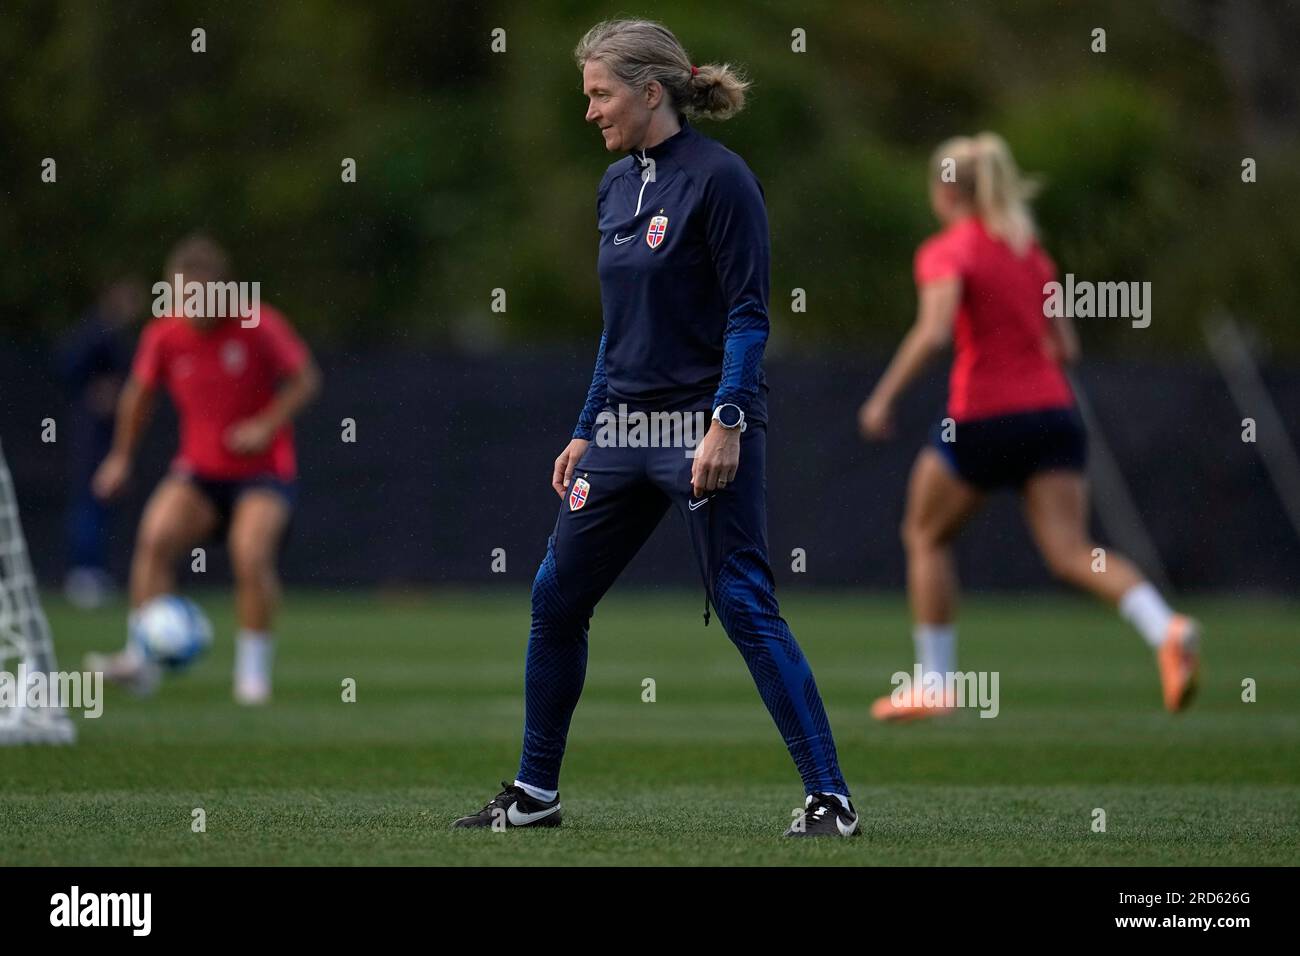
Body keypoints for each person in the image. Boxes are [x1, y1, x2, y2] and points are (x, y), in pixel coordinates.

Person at [453, 19, 857, 837]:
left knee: (743, 602)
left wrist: (728, 421)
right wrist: (584, 425)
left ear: (649, 91)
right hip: (621, 429)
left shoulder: (723, 179)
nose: (591, 112)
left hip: (701, 425)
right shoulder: (613, 187)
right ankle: (536, 795)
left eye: (600, 95)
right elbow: (618, 326)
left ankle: (831, 801)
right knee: (554, 599)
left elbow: (749, 315)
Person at [858, 133, 1200, 720]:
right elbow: (1066, 346)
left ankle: (936, 684)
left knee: (926, 534)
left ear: (945, 190)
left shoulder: (948, 250)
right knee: (1073, 552)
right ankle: (1165, 626)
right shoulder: (1027, 249)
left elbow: (935, 332)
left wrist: (883, 397)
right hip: (1054, 415)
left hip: (984, 415)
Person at [86, 235, 320, 704]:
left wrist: (265, 423)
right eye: (182, 294)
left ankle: (252, 678)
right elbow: (139, 396)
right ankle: (142, 661)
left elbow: (305, 378)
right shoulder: (164, 334)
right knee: (154, 537)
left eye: (202, 294)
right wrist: (120, 457)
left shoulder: (259, 324)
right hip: (199, 472)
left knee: (250, 553)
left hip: (263, 472)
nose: (192, 305)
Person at [57, 274, 145, 607]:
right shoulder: (95, 332)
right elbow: (67, 366)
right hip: (91, 435)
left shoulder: (118, 336)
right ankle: (83, 573)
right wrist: (95, 390)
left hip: (109, 434)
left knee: (104, 502)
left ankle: (94, 570)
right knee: (90, 499)